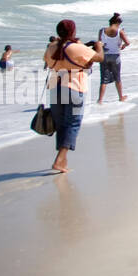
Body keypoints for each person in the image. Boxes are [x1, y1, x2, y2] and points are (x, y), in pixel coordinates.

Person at [43, 20, 104, 173]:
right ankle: (59, 160)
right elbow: (99, 58)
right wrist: (99, 47)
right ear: (73, 31)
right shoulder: (77, 48)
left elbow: (48, 61)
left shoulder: (52, 46)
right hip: (74, 87)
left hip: (54, 87)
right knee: (73, 123)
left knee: (61, 124)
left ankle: (63, 160)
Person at [96, 14, 130, 103]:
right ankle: (121, 97)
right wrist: (123, 46)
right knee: (117, 77)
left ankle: (100, 100)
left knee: (103, 79)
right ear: (117, 23)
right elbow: (128, 42)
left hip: (104, 55)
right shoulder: (120, 31)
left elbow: (99, 44)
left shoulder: (101, 31)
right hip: (115, 56)